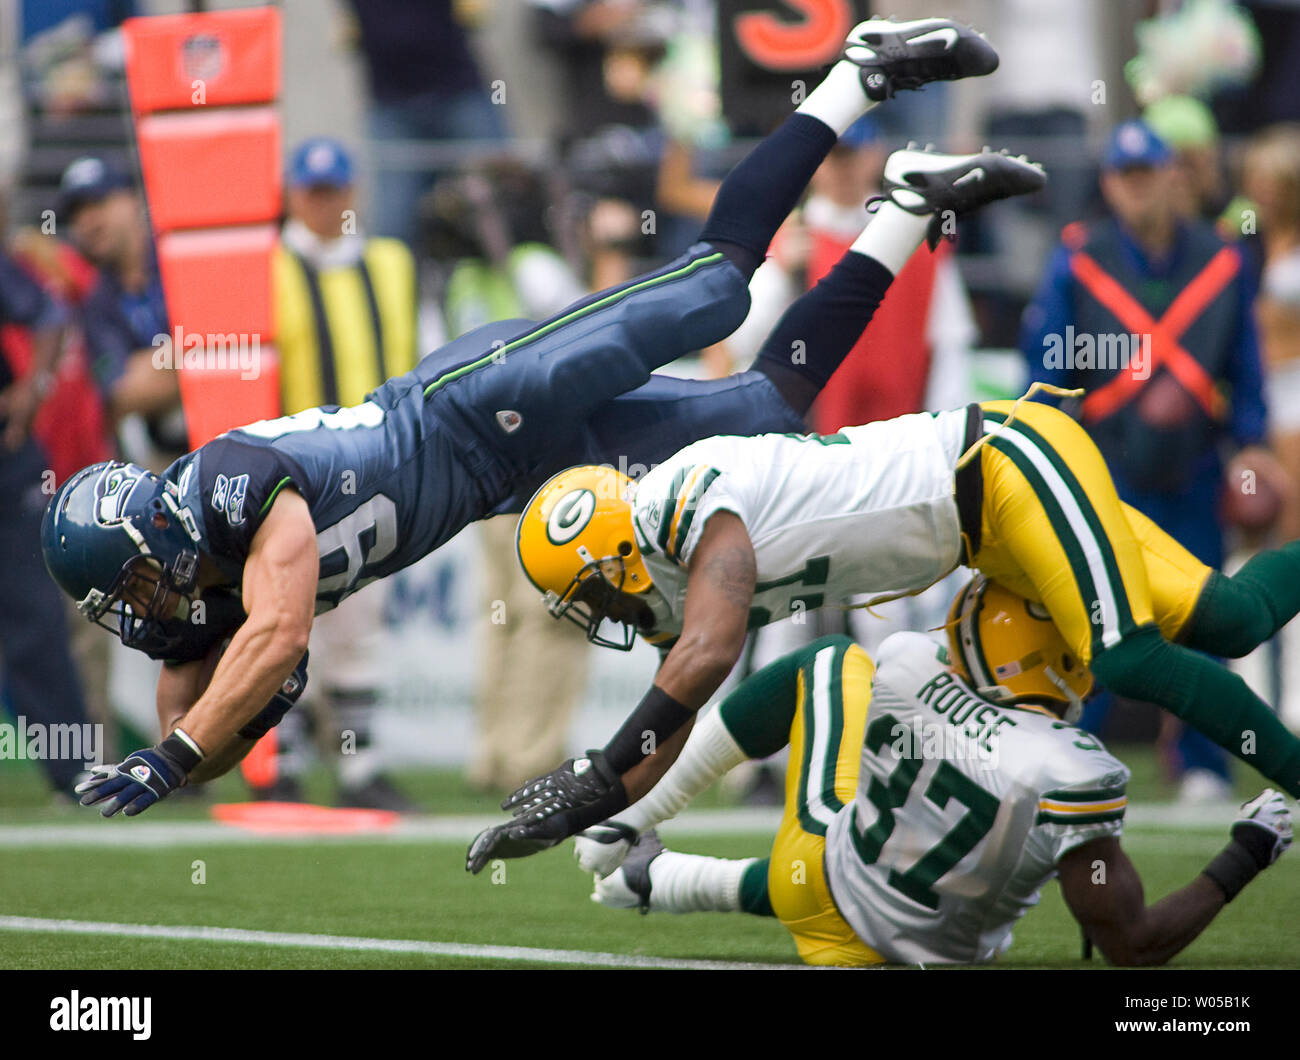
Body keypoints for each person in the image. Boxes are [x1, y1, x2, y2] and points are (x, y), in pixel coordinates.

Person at [40, 17, 1031, 818]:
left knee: (718, 287)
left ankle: (857, 72)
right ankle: (904, 208)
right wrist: (197, 742)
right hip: (510, 478)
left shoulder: (222, 485)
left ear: (151, 525)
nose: (139, 599)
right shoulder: (196, 587)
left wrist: (172, 752)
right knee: (769, 408)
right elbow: (194, 709)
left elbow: (266, 640)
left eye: (128, 575)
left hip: (477, 397)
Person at [474, 389, 1300, 871]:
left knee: (1127, 656)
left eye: (592, 591)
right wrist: (605, 805)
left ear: (617, 544)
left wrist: (601, 768)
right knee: (1233, 619)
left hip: (1005, 464)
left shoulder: (673, 502)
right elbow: (682, 709)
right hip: (983, 538)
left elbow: (710, 655)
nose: (602, 612)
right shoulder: (677, 577)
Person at [572, 578, 1293, 966]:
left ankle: (637, 822)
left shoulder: (910, 663)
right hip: (926, 948)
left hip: (824, 878)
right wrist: (1247, 850)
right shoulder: (1075, 773)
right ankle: (656, 877)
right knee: (878, 862)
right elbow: (1131, 946)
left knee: (828, 665)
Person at [1022, 120, 1276, 800]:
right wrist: (1056, 441)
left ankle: (1204, 765)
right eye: (1123, 177)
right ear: (1109, 184)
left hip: (1194, 465)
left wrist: (1251, 445)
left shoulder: (1221, 258)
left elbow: (1245, 362)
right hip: (1109, 465)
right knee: (1097, 614)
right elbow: (1046, 360)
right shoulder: (1080, 257)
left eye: (1147, 174)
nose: (1136, 189)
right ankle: (1075, 748)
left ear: (1172, 176)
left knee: (1208, 614)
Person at [258, 137, 420, 810]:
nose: (325, 204)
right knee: (283, 619)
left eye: (335, 190)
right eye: (312, 191)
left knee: (358, 625)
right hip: (287, 477)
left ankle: (358, 771)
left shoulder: (390, 263)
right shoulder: (267, 267)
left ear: (352, 192)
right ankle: (283, 767)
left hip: (376, 471)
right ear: (292, 194)